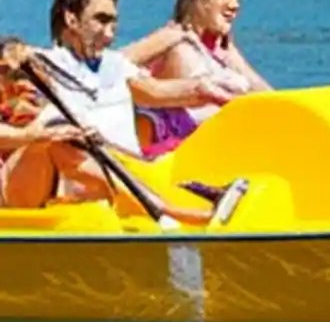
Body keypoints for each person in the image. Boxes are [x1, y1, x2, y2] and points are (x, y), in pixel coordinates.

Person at [0, 36, 248, 225]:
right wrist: (30, 135)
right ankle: (174, 212)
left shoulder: (35, 97)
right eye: (8, 74)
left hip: (37, 182)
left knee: (70, 141)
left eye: (20, 73)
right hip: (6, 194)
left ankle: (167, 208)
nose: (19, 81)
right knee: (52, 142)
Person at [124, 0, 271, 153]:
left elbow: (268, 97)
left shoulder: (223, 51)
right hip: (177, 159)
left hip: (225, 150)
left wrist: (234, 58)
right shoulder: (174, 39)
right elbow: (113, 63)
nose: (235, 5)